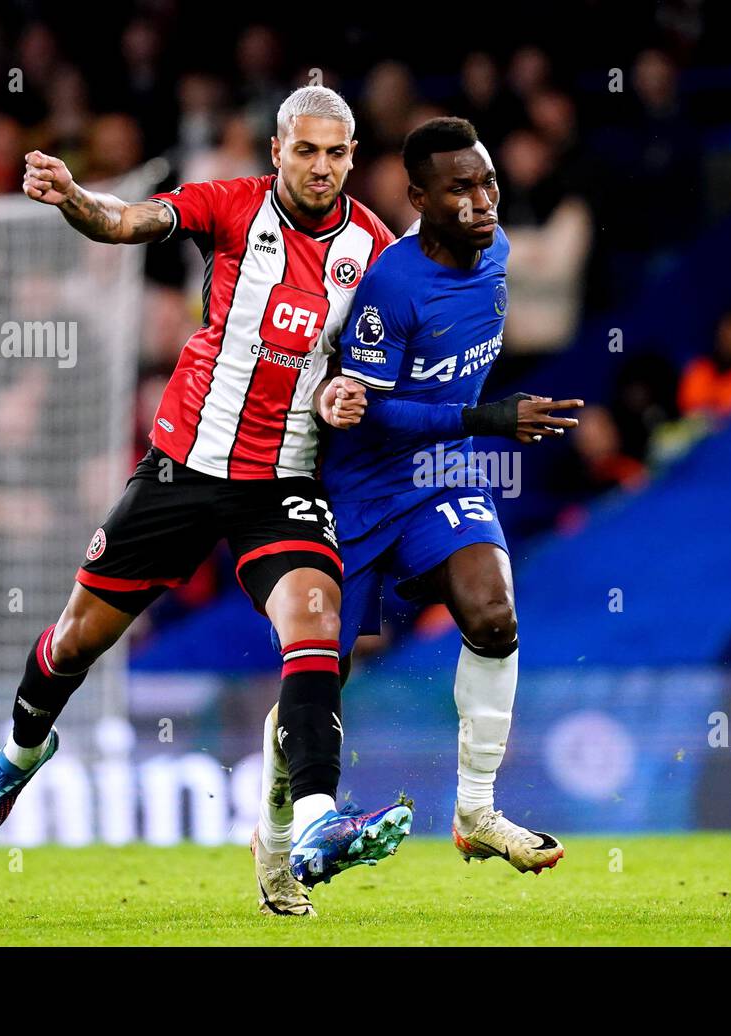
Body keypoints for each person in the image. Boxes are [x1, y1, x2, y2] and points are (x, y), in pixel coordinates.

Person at [0, 86, 410, 915]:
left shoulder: (372, 252)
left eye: (335, 153)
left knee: (316, 622)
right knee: (77, 638)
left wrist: (347, 395)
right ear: (277, 151)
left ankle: (313, 820)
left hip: (285, 483)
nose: (320, 166)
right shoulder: (231, 206)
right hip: (184, 469)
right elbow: (125, 222)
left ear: (351, 157)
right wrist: (76, 200)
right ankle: (19, 755)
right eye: (304, 150)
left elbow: (370, 372)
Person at [256, 118, 579, 911]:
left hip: (442, 480)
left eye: (489, 183)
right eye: (460, 189)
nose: (481, 202)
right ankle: (275, 842)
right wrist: (486, 419)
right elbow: (368, 412)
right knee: (319, 676)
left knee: (494, 612)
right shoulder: (390, 290)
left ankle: (474, 809)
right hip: (361, 492)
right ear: (419, 200)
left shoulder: (499, 251)